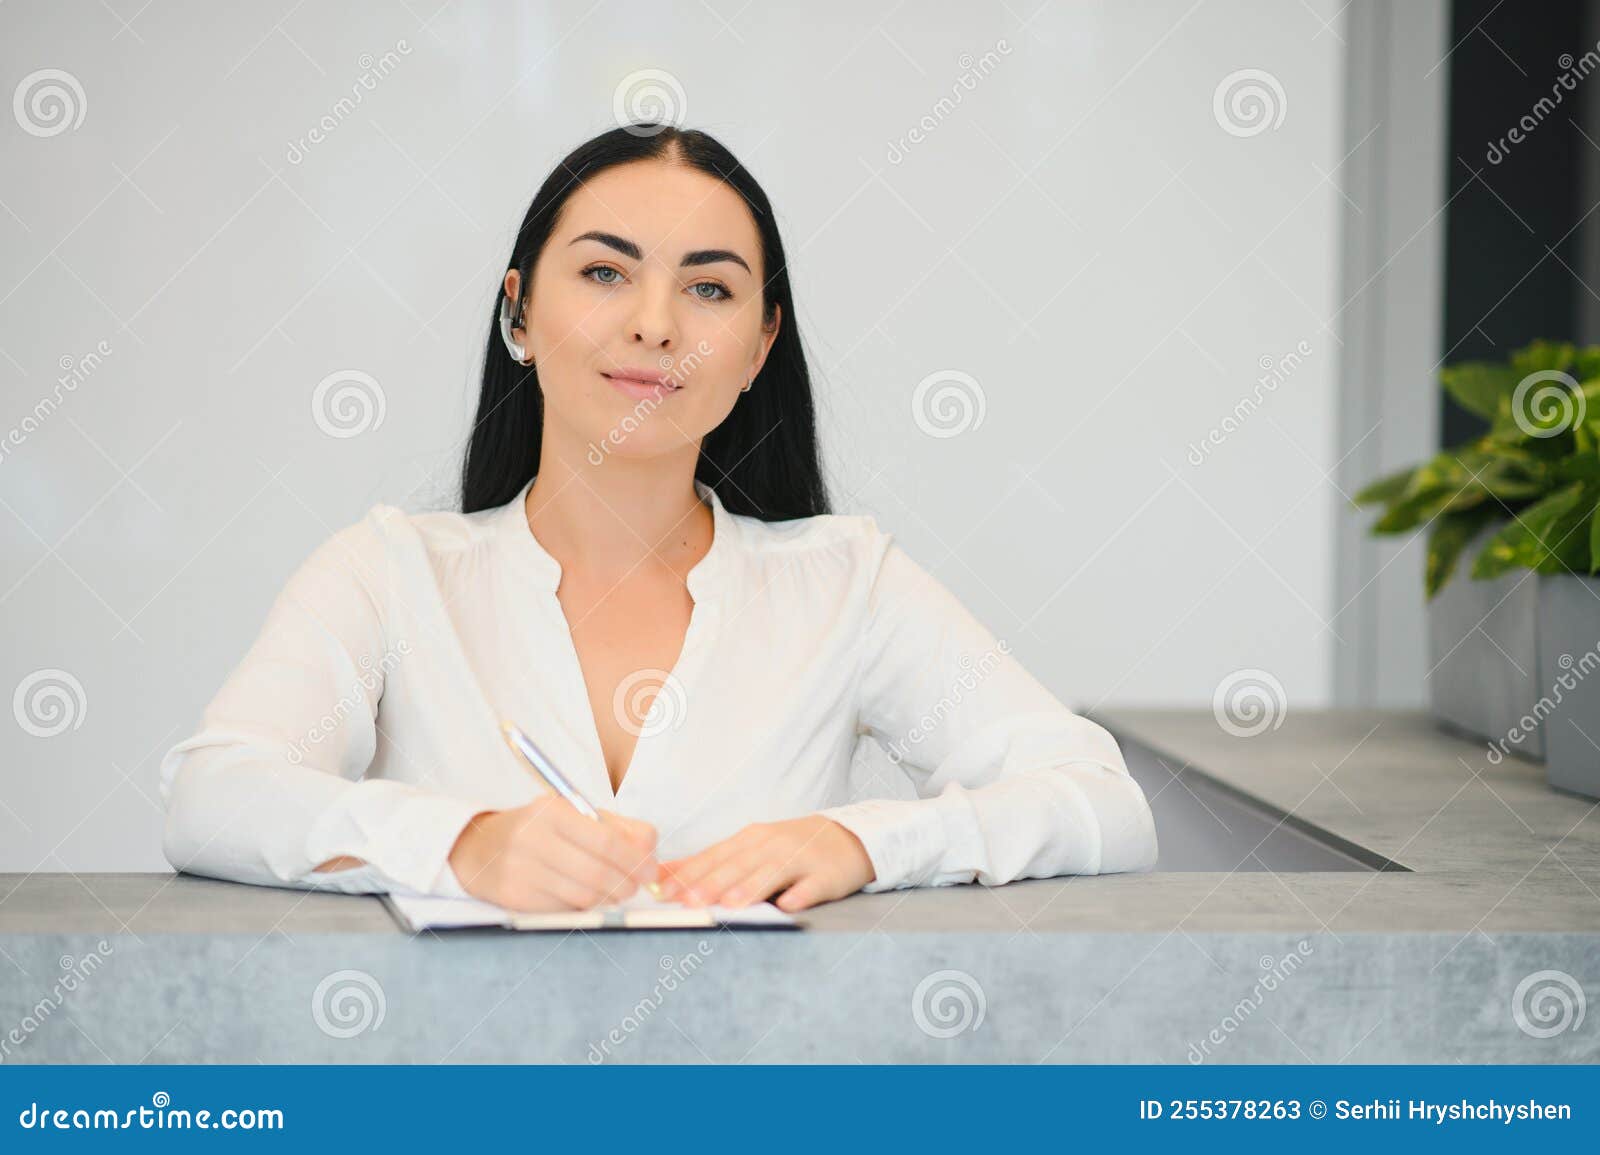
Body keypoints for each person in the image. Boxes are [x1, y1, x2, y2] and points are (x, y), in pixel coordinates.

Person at [159, 122, 1158, 915]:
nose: (654, 323)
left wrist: (863, 841)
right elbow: (214, 795)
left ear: (760, 344)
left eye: (709, 288)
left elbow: (1103, 803)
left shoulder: (846, 582)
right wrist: (462, 845)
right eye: (605, 272)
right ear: (518, 312)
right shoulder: (388, 573)